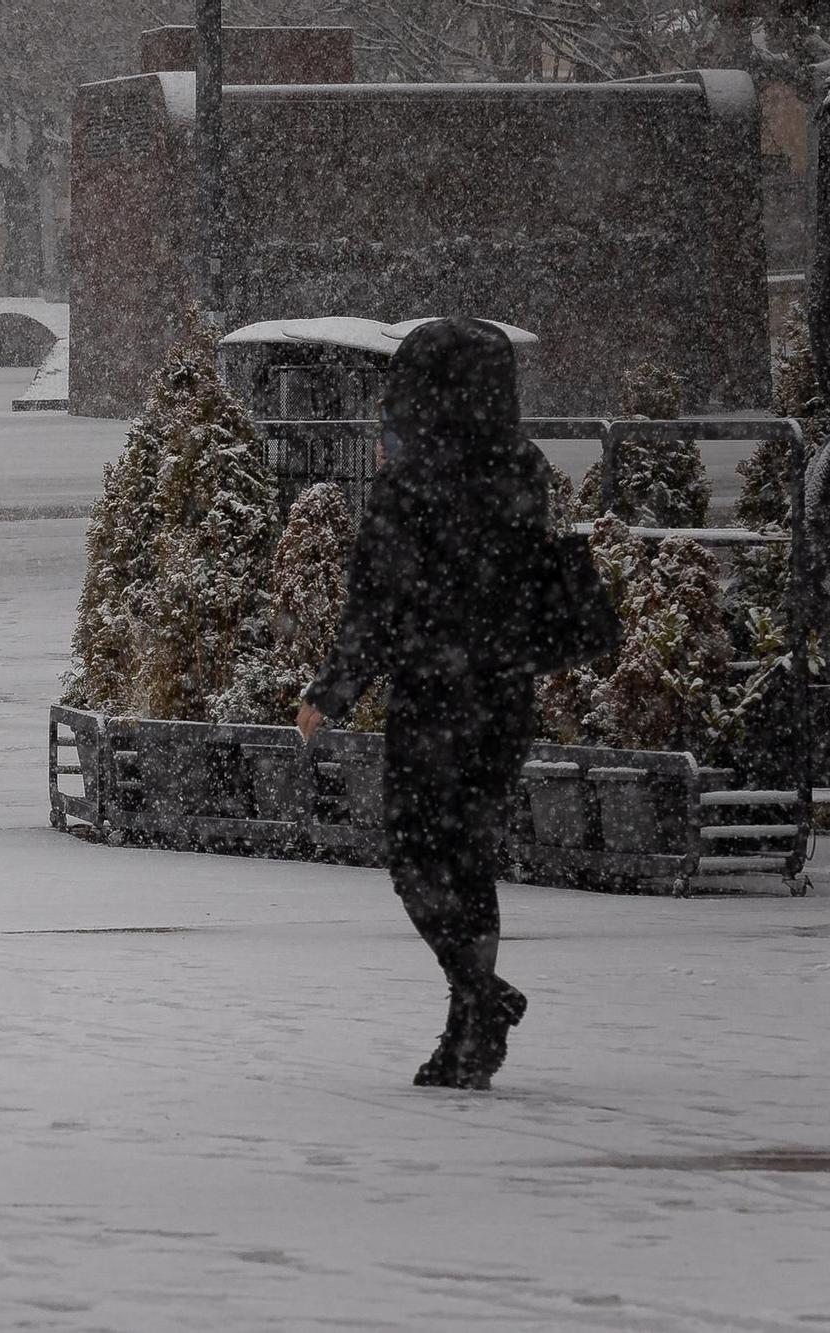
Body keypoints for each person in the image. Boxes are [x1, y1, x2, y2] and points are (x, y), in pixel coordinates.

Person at [295, 318, 554, 1091]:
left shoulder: (411, 485)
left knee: (415, 857)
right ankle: (471, 1022)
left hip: (434, 697)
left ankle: (477, 1000)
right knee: (468, 859)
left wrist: (331, 693)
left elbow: (379, 604)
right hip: (500, 693)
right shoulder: (522, 467)